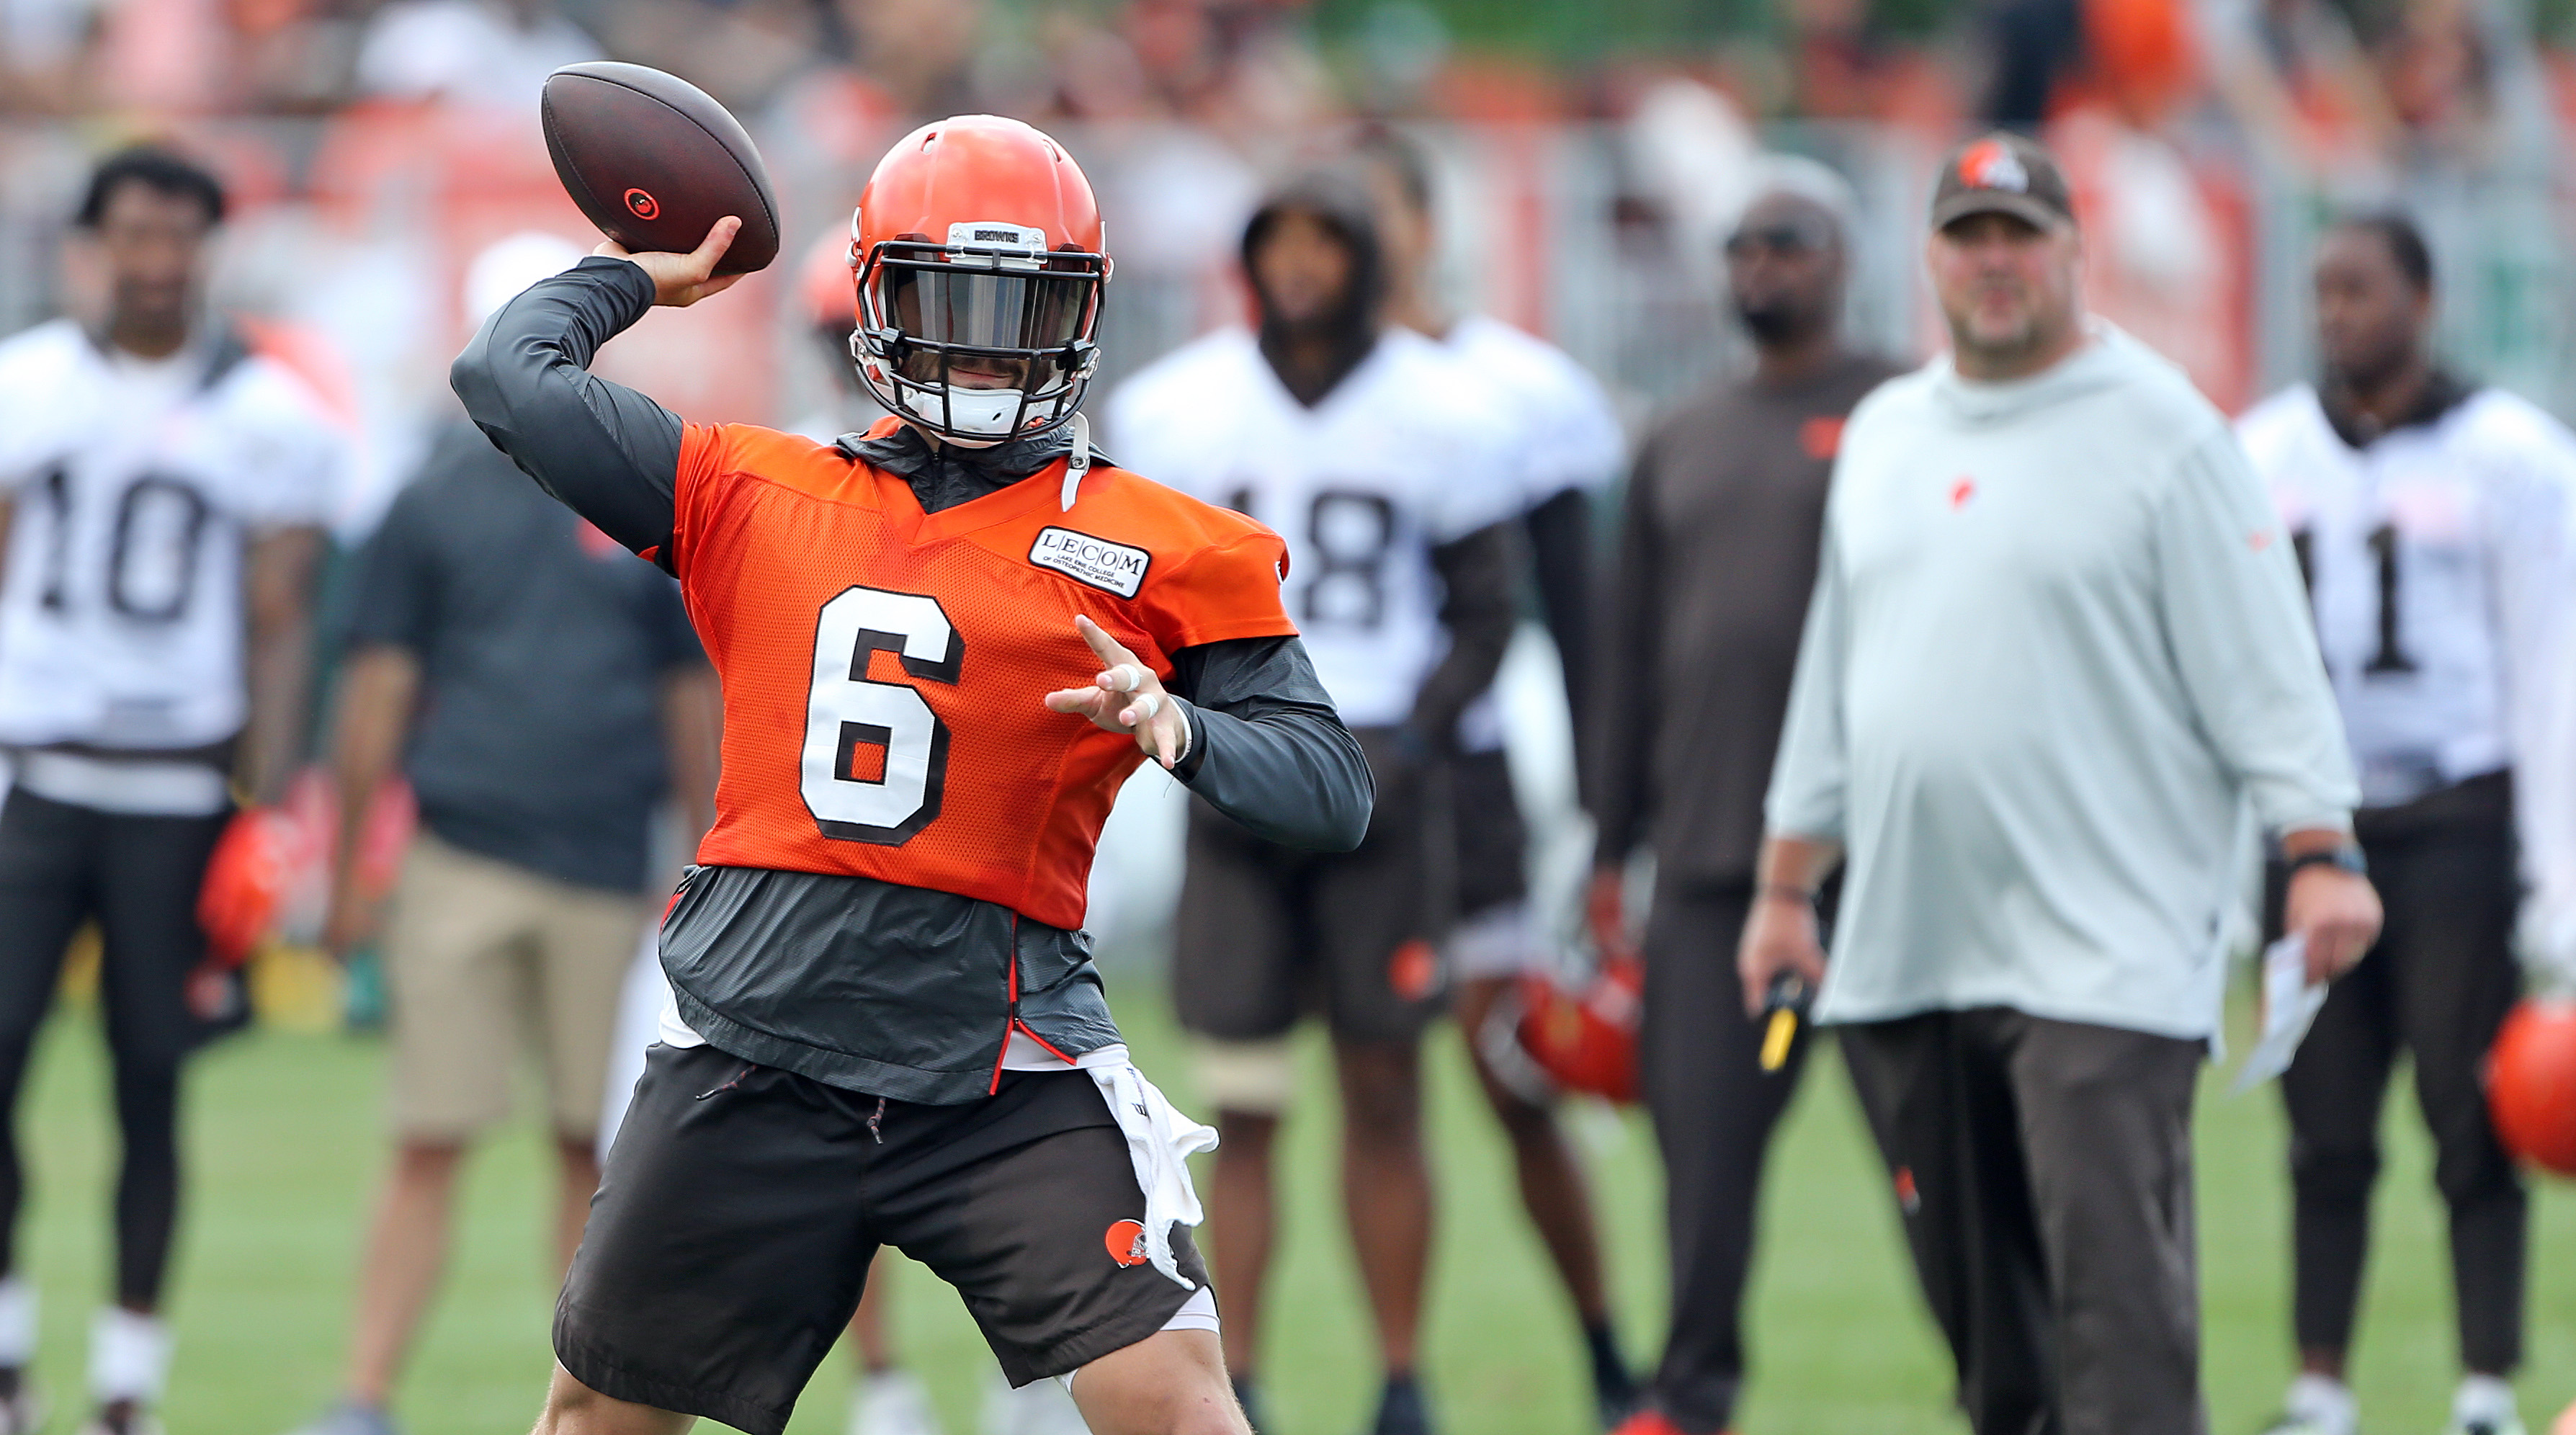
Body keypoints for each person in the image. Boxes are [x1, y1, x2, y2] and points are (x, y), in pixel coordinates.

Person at [452, 115, 1372, 1435]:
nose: (989, 343)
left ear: (1082, 315)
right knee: (596, 1419)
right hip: (757, 1040)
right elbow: (507, 372)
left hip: (1009, 1056)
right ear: (880, 300)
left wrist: (1182, 726)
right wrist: (633, 273)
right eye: (955, 300)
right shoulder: (744, 489)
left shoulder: (1168, 546)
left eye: (1024, 308)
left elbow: (1331, 790)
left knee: (1181, 1410)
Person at [1737, 131, 2384, 1435]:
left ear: (2073, 253)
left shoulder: (2167, 433)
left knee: (2117, 1317)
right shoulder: (1885, 433)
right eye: (1967, 235)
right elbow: (1837, 676)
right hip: (1913, 941)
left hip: (2109, 943)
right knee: (1989, 1339)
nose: (1992, 262)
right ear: (1928, 258)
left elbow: (2267, 661)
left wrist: (2321, 849)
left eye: (2018, 235)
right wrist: (1784, 889)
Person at [284, 237, 722, 1435]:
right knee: (436, 1135)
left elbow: (689, 692)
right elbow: (375, 691)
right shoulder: (429, 500)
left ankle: (589, 1397)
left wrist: (702, 859)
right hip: (465, 856)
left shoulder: (641, 493)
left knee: (600, 1163)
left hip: (603, 868)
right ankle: (362, 1396)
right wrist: (349, 873)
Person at [1107, 168, 1521, 1435]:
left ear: (1365, 256)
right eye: (1274, 241)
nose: (1298, 267)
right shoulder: (1178, 408)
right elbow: (1131, 594)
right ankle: (1247, 1382)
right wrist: (1194, 733)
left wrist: (1409, 745)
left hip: (1383, 790)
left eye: (1320, 241)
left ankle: (1401, 1379)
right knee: (1245, 1104)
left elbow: (1488, 610)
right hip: (1234, 779)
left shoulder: (1444, 410)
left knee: (1388, 1091)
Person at [0, 145, 340, 1435]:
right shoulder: (26, 386)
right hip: (34, 776)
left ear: (208, 249)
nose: (154, 263)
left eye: (177, 238)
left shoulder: (272, 416)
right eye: (134, 235)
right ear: (93, 243)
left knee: (154, 1082)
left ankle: (127, 1385)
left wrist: (271, 799)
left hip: (176, 793)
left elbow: (283, 620)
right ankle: (12, 1364)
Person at [2237, 213, 2576, 1435]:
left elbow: (2550, 670)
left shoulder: (2511, 454)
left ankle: (2485, 1384)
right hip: (2318, 828)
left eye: (2361, 289)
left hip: (2457, 818)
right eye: (2323, 289)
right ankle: (2320, 1383)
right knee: (2323, 1127)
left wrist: (2558, 880)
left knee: (2468, 1110)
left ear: (2423, 300)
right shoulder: (2263, 451)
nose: (2338, 312)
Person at [1588, 166, 1903, 1435]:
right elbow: (1631, 656)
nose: (1763, 265)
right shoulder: (1681, 432)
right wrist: (1611, 846)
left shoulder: (1904, 413)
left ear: (1845, 258)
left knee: (1938, 1158)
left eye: (1790, 242)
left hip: (1885, 864)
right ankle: (1690, 1398)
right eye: (1744, 246)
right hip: (1715, 858)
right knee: (1702, 1171)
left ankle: (2013, 1386)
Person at [1349, 127, 1637, 1432]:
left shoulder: (1517, 390)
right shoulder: (1262, 386)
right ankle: (1396, 1377)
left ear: (1423, 222)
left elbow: (1575, 613)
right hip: (1330, 779)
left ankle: (1607, 1346)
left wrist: (1607, 809)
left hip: (1464, 774)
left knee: (1513, 1072)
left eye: (1370, 211)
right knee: (1354, 1088)